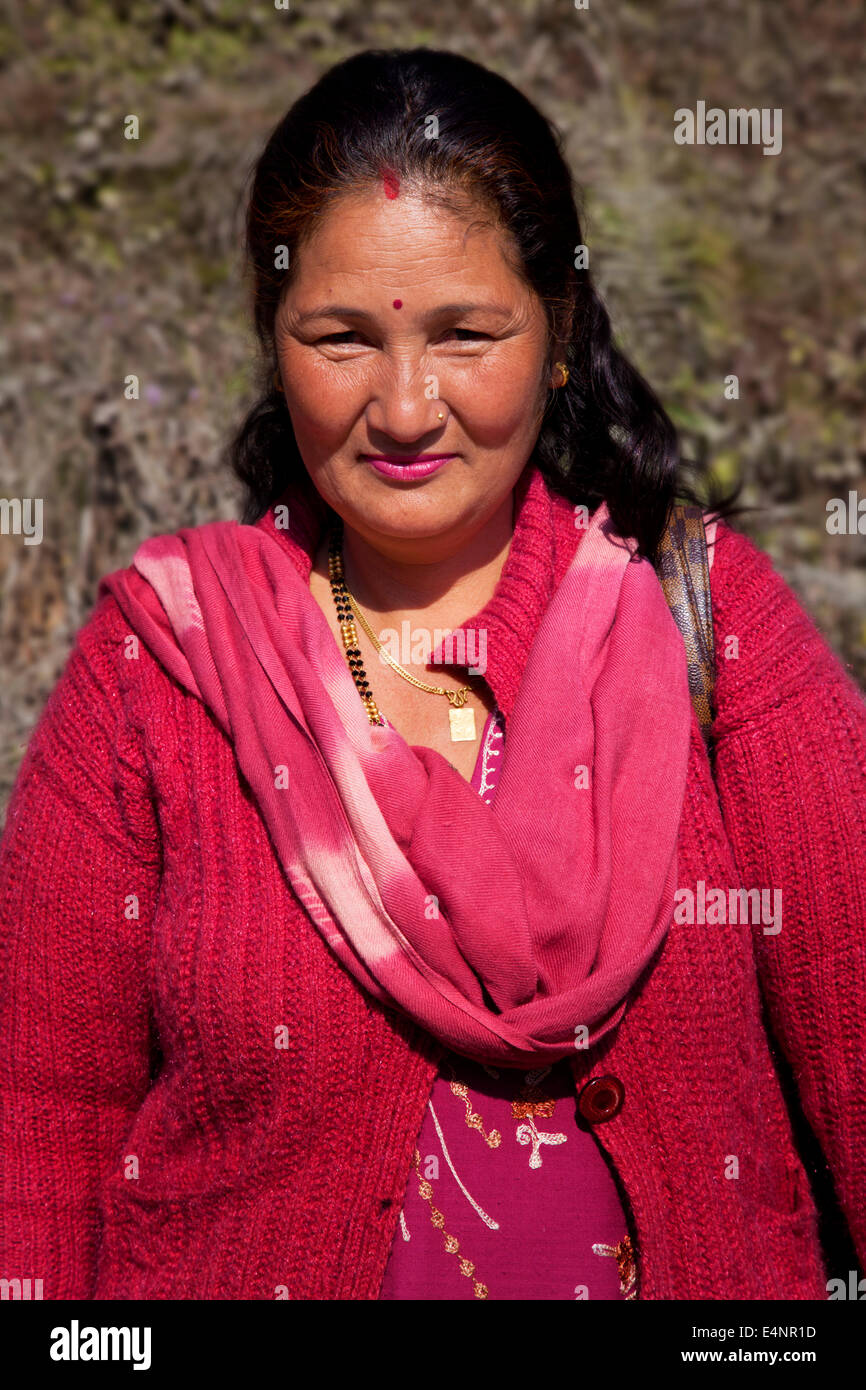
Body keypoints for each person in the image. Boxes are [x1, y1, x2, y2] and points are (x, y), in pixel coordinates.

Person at [1, 47, 864, 1302]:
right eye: (340, 338)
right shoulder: (166, 664)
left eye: (467, 334)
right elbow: (40, 1120)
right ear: (272, 335)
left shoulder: (707, 625)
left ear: (557, 334)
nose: (405, 411)